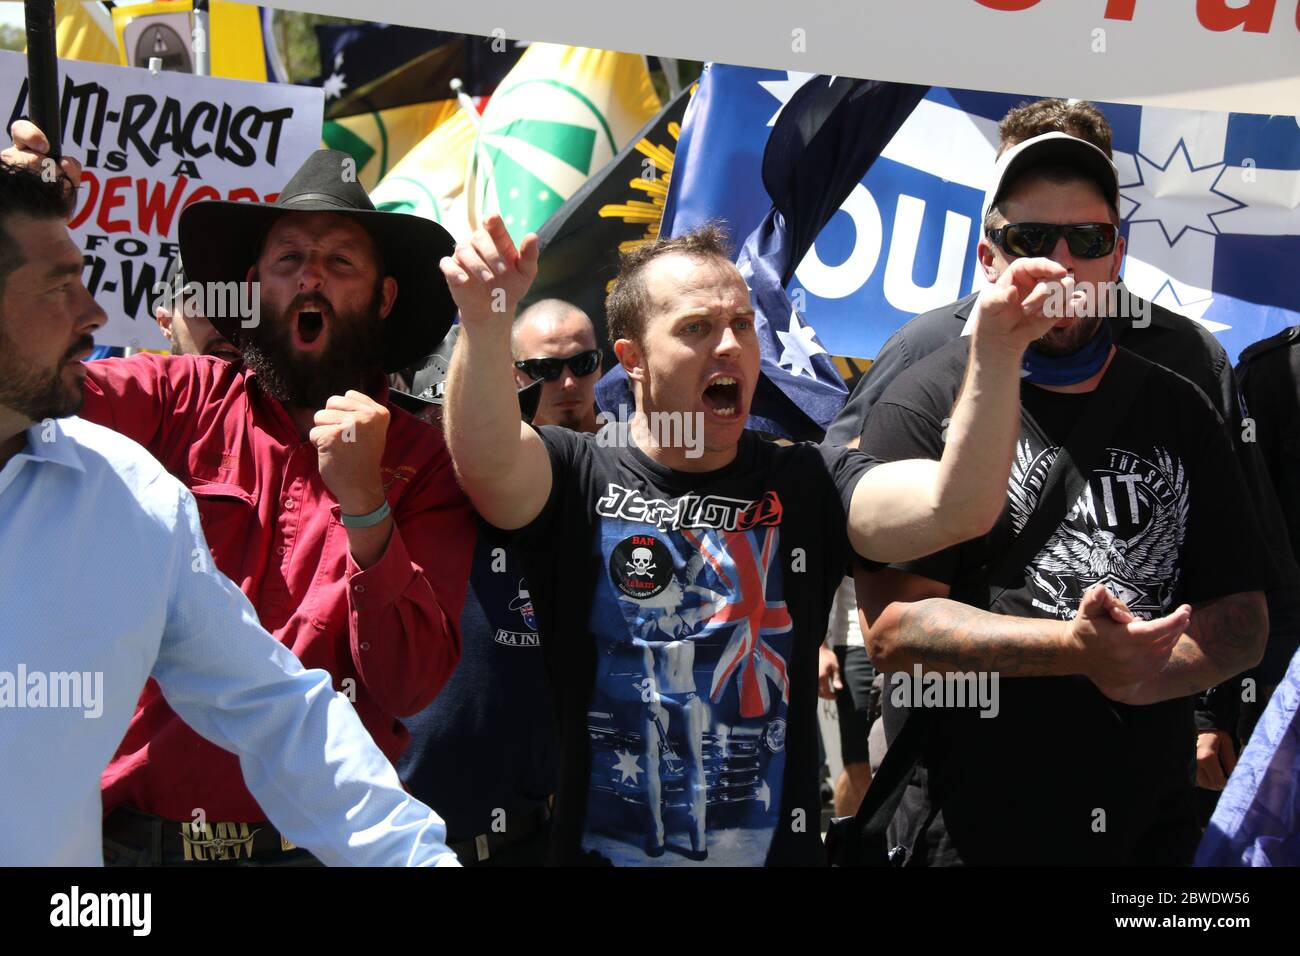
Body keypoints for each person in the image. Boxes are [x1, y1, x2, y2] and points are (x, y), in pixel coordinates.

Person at [441, 211, 1088, 866]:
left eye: (742, 325)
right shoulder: (579, 473)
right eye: (696, 328)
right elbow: (486, 463)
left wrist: (1001, 351)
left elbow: (959, 505)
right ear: (631, 359)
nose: (729, 345)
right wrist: (484, 320)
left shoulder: (804, 478)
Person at [2, 121, 475, 865]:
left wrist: (367, 509)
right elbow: (30, 385)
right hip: (134, 853)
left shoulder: (426, 463)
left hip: (314, 851)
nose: (310, 277)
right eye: (288, 259)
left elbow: (408, 685)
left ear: (384, 297)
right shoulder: (178, 401)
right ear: (255, 288)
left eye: (338, 261)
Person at [823, 98, 1299, 804]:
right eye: (1032, 235)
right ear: (989, 249)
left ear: (1117, 244)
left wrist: (1190, 698)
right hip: (970, 801)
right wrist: (1075, 653)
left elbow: (1244, 593)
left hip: (1146, 806)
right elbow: (883, 600)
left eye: (1086, 235)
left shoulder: (1185, 369)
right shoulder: (924, 364)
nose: (1060, 261)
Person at [389, 327, 557, 867]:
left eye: (481, 422)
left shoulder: (551, 525)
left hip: (529, 846)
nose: (458, 440)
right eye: (437, 419)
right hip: (393, 852)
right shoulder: (366, 530)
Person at [819, 577, 877, 816]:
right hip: (855, 641)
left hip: (914, 638)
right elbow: (817, 580)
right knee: (859, 765)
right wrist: (820, 647)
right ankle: (846, 848)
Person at [511, 298, 602, 432]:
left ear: (599, 365)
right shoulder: (503, 450)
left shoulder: (631, 442)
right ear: (515, 377)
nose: (569, 383)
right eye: (546, 368)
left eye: (583, 363)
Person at [154, 256, 241, 362]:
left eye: (241, 310)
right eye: (204, 309)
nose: (224, 327)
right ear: (166, 323)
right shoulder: (137, 376)